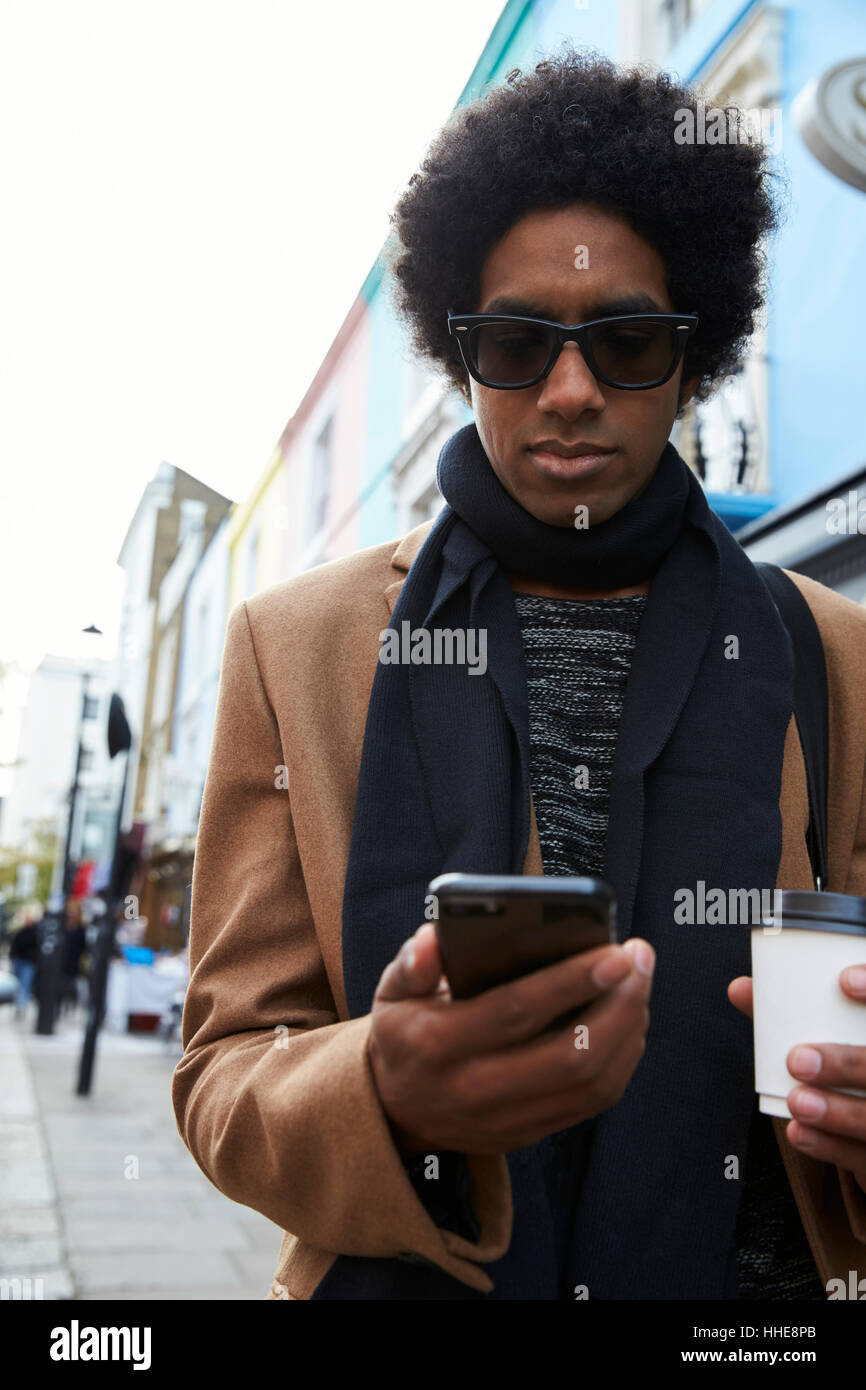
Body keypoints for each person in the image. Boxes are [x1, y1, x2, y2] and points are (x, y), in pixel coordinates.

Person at [172, 46, 866, 1300]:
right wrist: (381, 1086)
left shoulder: (829, 647)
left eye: (626, 343)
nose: (568, 392)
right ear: (456, 349)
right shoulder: (298, 642)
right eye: (515, 342)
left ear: (691, 355)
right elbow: (226, 1071)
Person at [9, 915, 39, 1016]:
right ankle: (19, 1004)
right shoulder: (21, 932)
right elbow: (15, 945)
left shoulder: (35, 933)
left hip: (28, 962)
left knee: (25, 984)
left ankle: (21, 1005)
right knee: (18, 984)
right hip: (19, 961)